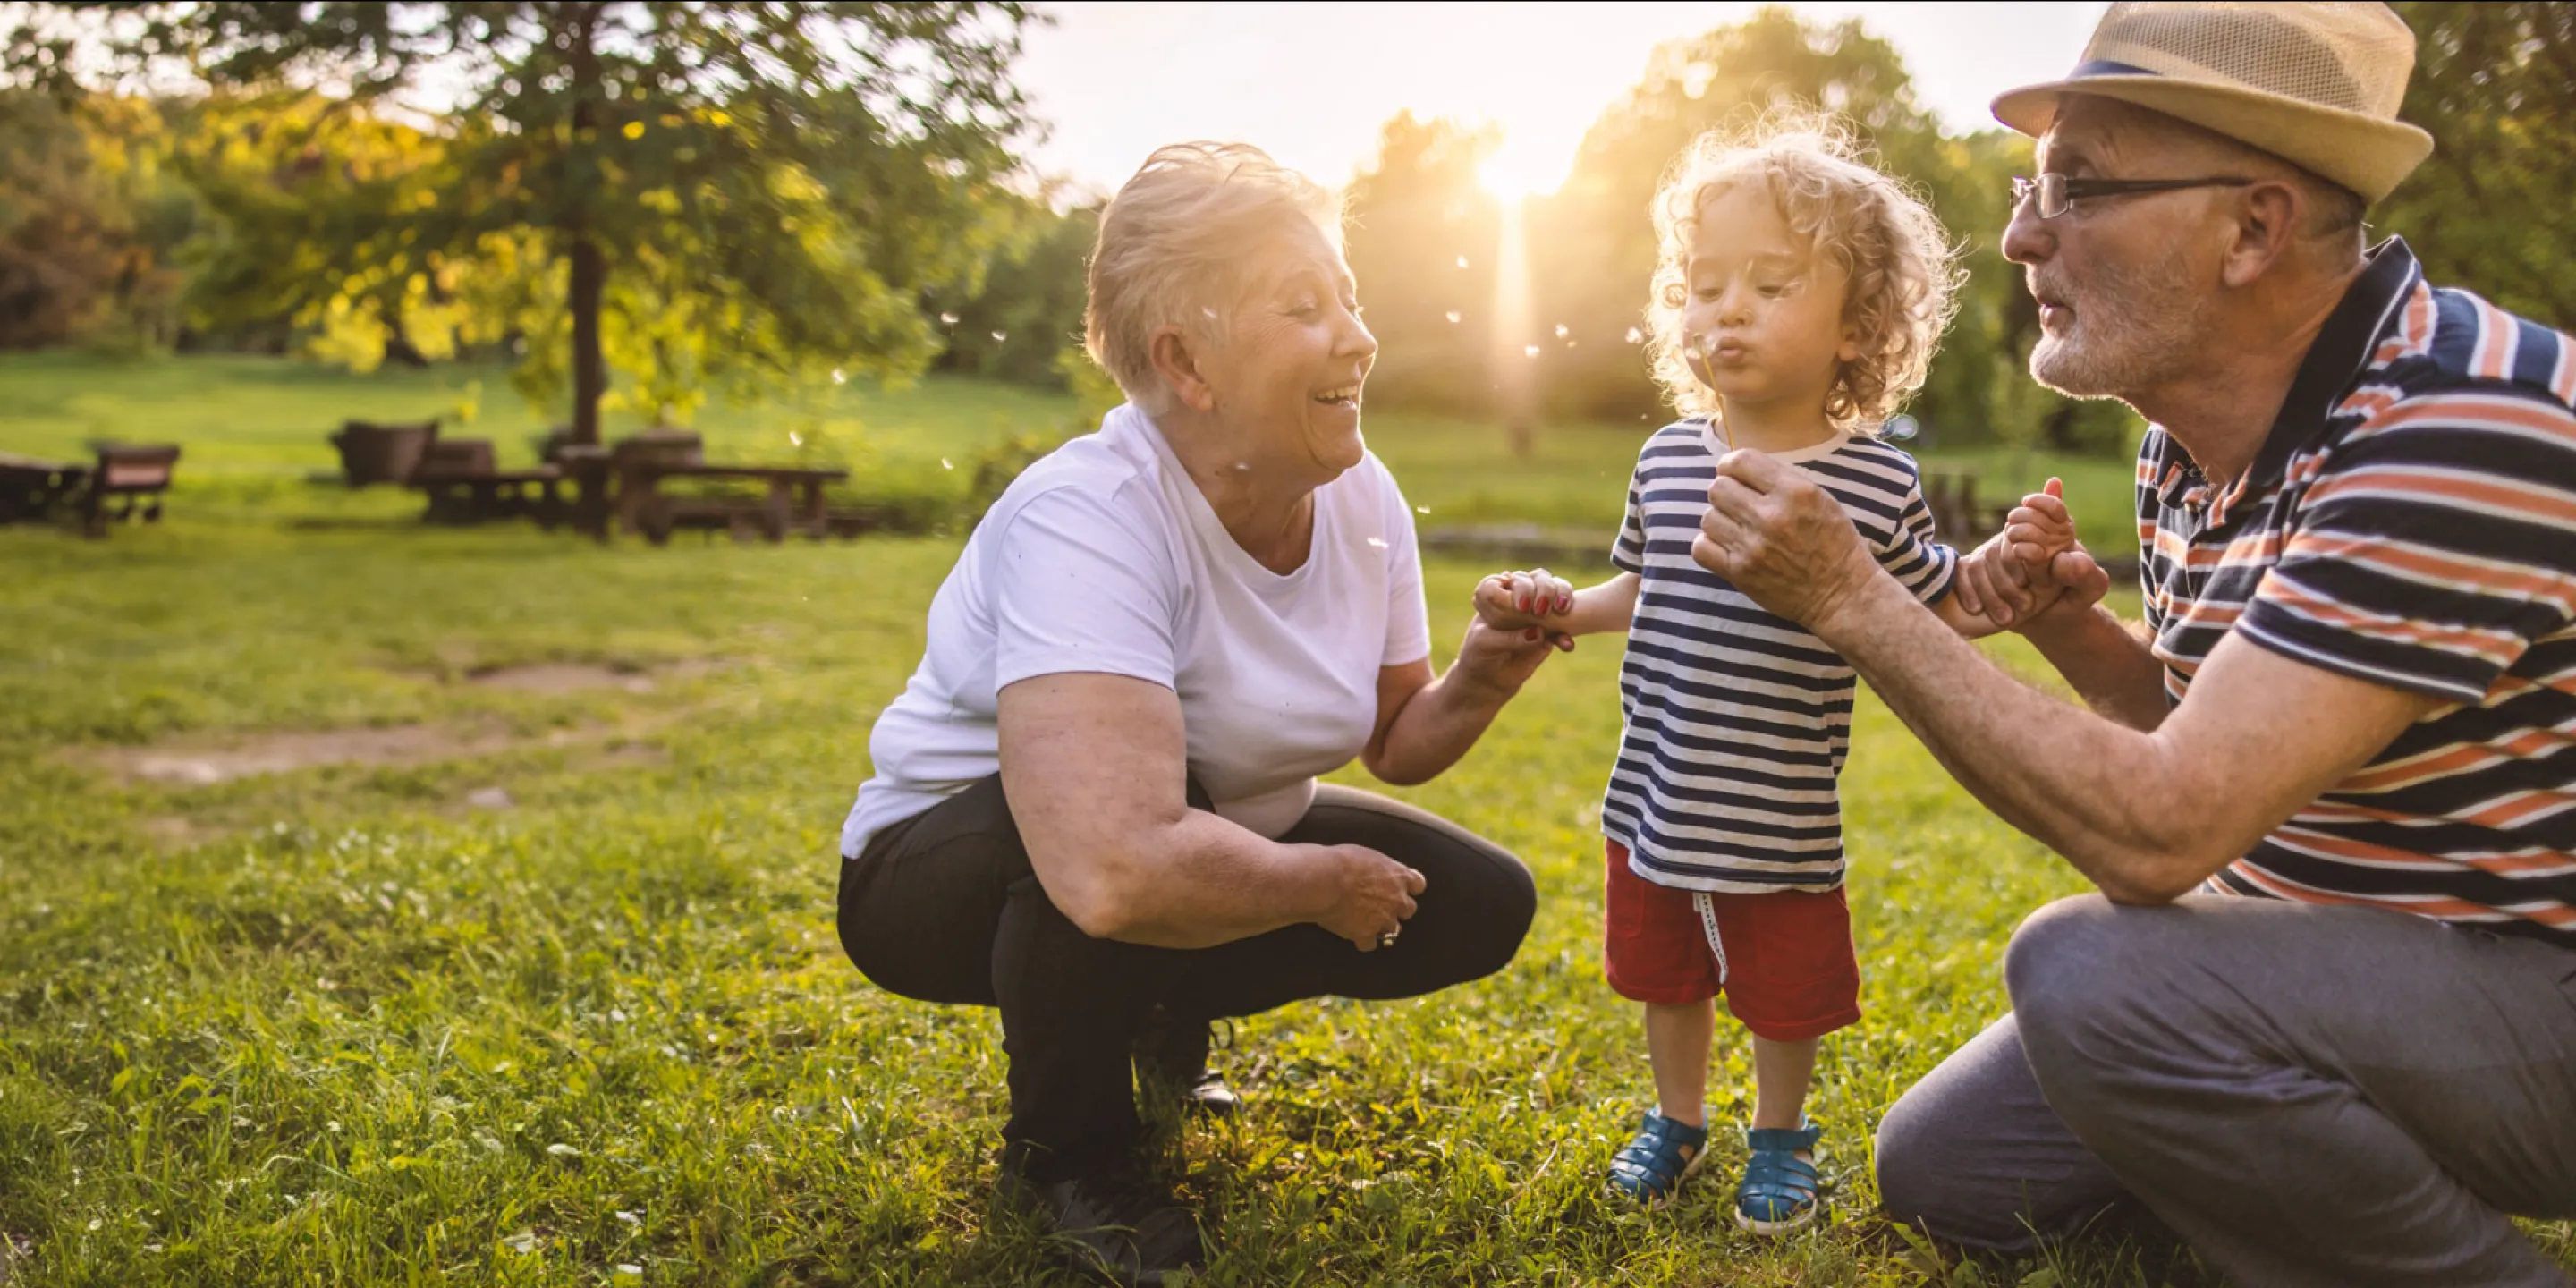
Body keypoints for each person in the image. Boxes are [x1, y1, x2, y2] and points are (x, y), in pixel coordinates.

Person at [1682, 4, 2576, 1284]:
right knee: (1951, 1169)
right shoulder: (2185, 440)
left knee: (2089, 973)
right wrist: (2076, 633)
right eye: (2030, 187)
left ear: (2252, 229)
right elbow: (2217, 737)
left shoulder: (2459, 421)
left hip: (2541, 983)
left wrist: (1852, 596)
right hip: (2343, 958)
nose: (2021, 236)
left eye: (2082, 188)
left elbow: (2168, 832)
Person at [833, 141, 1548, 1287]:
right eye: (1306, 309)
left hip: (1185, 837)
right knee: (1143, 823)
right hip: (946, 869)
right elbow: (1109, 868)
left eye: (1350, 300)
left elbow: (1396, 740)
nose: (1359, 339)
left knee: (1476, 902)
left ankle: (1152, 1013)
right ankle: (1069, 1161)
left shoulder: (1358, 492)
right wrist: (1320, 885)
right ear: (1186, 361)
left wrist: (1482, 676)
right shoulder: (1089, 513)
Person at [1471, 119, 2073, 1233]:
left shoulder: (1874, 481)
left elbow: (1934, 600)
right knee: (1666, 973)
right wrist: (1558, 606)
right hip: (1656, 790)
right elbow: (1639, 585)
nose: (1728, 310)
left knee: (1784, 988)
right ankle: (1678, 1118)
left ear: (1859, 328)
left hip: (1778, 807)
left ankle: (1781, 1134)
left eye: (1771, 284)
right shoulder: (1666, 459)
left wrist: (2008, 566)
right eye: (1705, 286)